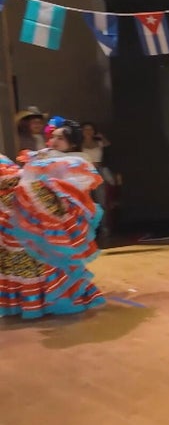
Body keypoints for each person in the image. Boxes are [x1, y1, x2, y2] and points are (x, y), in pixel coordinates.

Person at [0, 117, 104, 319]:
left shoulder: (76, 160)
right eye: (53, 136)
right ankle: (32, 302)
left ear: (71, 142)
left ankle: (59, 299)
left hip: (52, 220)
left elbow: (59, 186)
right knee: (28, 257)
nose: (53, 141)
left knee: (53, 260)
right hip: (32, 216)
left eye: (60, 138)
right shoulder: (44, 156)